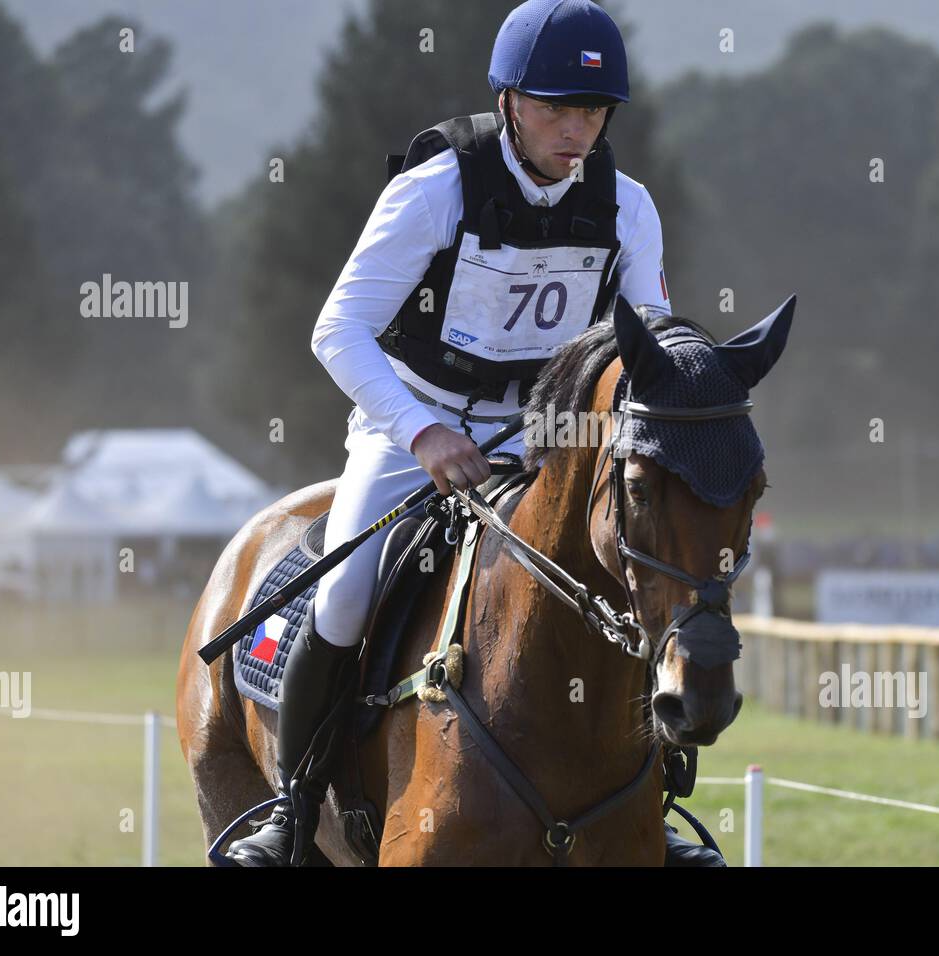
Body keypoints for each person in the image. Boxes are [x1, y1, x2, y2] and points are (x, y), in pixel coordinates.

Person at [228, 0, 719, 867]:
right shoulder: (436, 189)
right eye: (558, 108)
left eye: (595, 113)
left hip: (546, 439)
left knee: (627, 581)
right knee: (344, 595)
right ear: (508, 101)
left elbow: (647, 350)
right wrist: (421, 435)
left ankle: (651, 810)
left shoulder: (626, 207)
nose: (579, 130)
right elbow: (336, 330)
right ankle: (294, 811)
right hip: (416, 423)